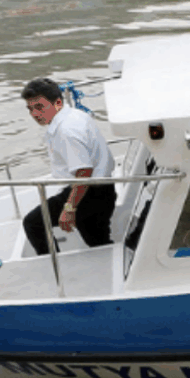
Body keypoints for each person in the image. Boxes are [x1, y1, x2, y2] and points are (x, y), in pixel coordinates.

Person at [20, 78, 115, 255]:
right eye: (30, 109)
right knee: (98, 241)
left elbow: (84, 171)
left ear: (57, 102)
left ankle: (53, 266)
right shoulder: (75, 115)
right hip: (104, 190)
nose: (34, 114)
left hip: (90, 193)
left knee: (34, 223)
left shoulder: (66, 130)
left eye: (39, 107)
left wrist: (69, 208)